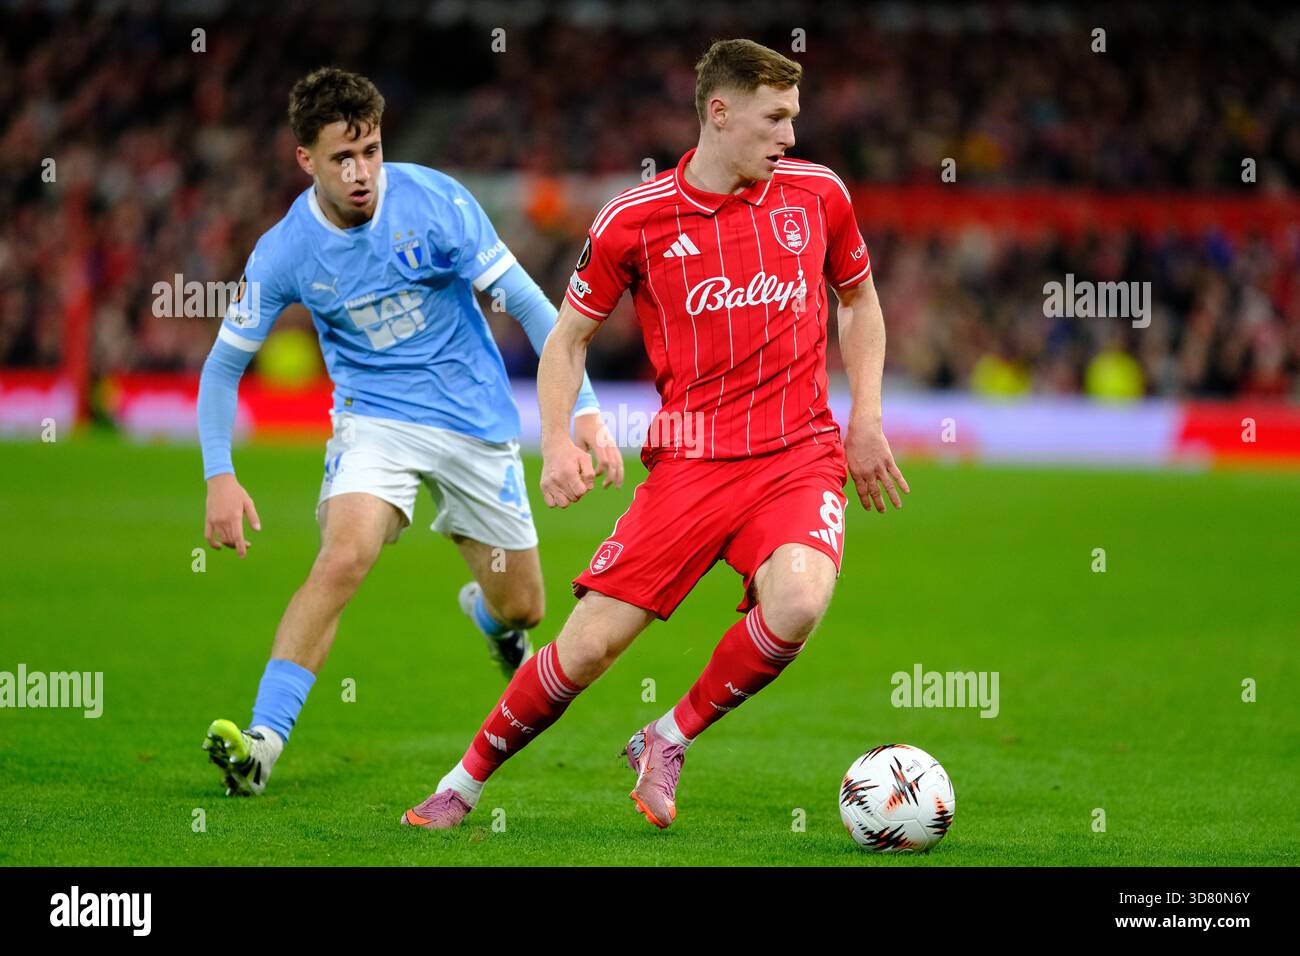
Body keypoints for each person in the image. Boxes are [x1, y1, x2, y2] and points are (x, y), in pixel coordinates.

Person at [401, 39, 907, 831]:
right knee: (586, 651)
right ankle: (460, 785)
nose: (791, 138)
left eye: (794, 119)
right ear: (719, 111)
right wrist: (560, 440)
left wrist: (866, 417)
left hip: (797, 454)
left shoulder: (818, 195)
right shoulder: (633, 220)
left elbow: (861, 301)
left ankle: (668, 737)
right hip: (691, 466)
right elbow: (565, 341)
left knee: (801, 600)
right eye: (776, 118)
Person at [196, 67, 622, 797]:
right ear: (306, 159)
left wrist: (579, 409)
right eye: (342, 158)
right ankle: (262, 744)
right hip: (375, 421)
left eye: (372, 150)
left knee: (525, 607)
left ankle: (487, 619)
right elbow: (222, 368)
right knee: (344, 557)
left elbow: (532, 306)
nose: (362, 172)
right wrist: (219, 474)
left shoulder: (436, 202)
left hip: (474, 421)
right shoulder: (285, 251)